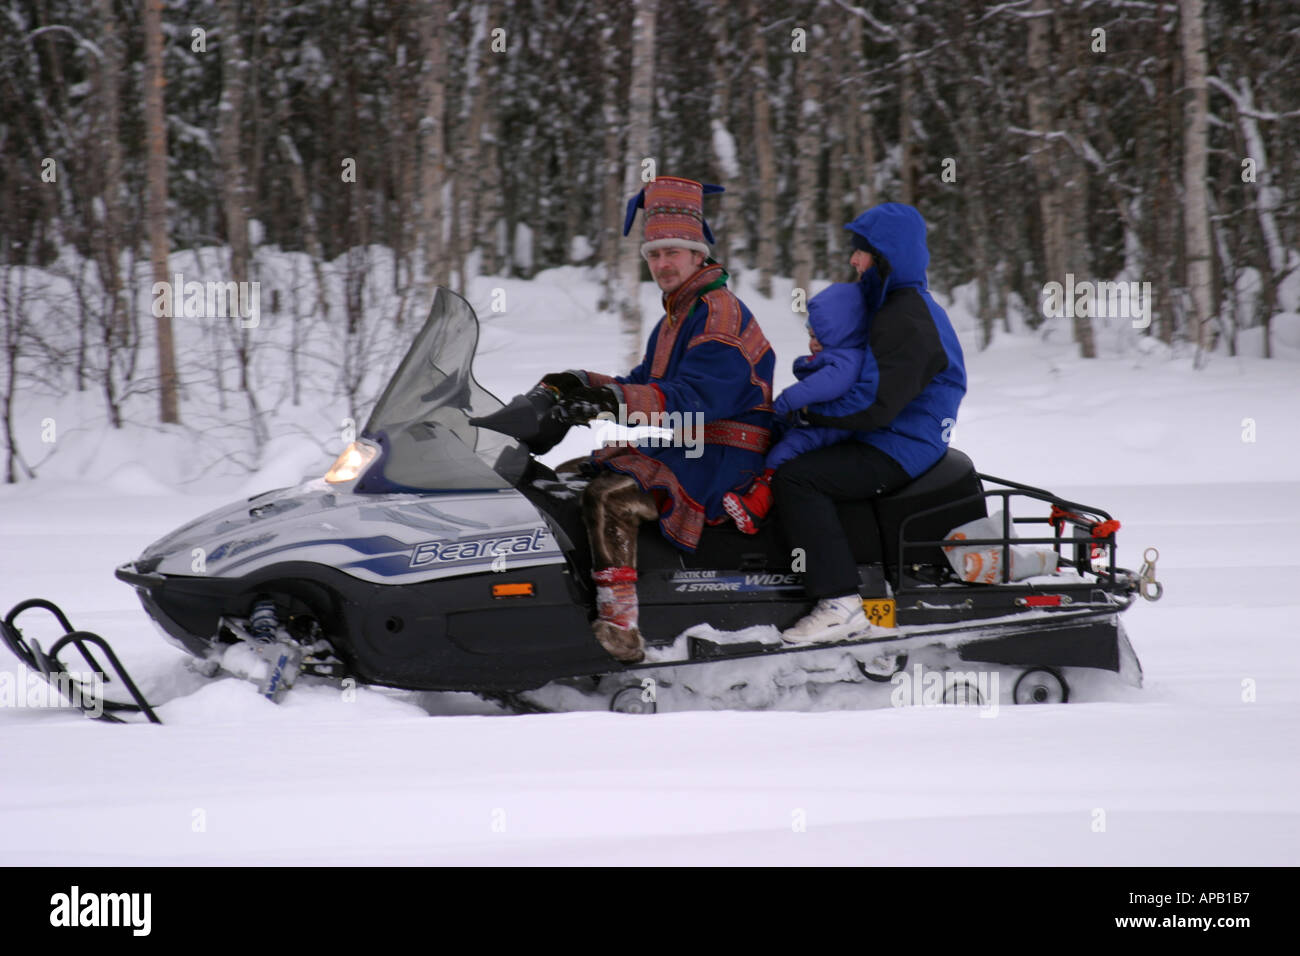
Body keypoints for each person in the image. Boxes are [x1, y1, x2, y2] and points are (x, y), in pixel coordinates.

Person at [539, 176, 775, 664]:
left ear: (697, 255)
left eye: (673, 252)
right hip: (690, 442)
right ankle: (570, 601)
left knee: (610, 496)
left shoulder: (719, 316)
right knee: (567, 478)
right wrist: (583, 381)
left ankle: (621, 628)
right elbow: (647, 380)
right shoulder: (680, 313)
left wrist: (613, 399)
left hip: (723, 454)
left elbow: (696, 398)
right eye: (653, 255)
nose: (662, 264)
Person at [773, 202, 967, 643]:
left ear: (887, 254)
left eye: (860, 252)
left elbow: (876, 405)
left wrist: (805, 413)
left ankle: (839, 601)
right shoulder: (894, 304)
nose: (853, 261)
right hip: (893, 433)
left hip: (900, 443)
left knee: (798, 479)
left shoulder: (907, 317)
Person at [721, 282, 869, 534]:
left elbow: (822, 387)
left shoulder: (847, 360)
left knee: (784, 451)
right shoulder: (843, 355)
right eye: (810, 337)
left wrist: (785, 402)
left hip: (825, 430)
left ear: (840, 333)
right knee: (769, 436)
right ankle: (747, 480)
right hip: (813, 419)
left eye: (818, 338)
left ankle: (757, 506)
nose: (812, 344)